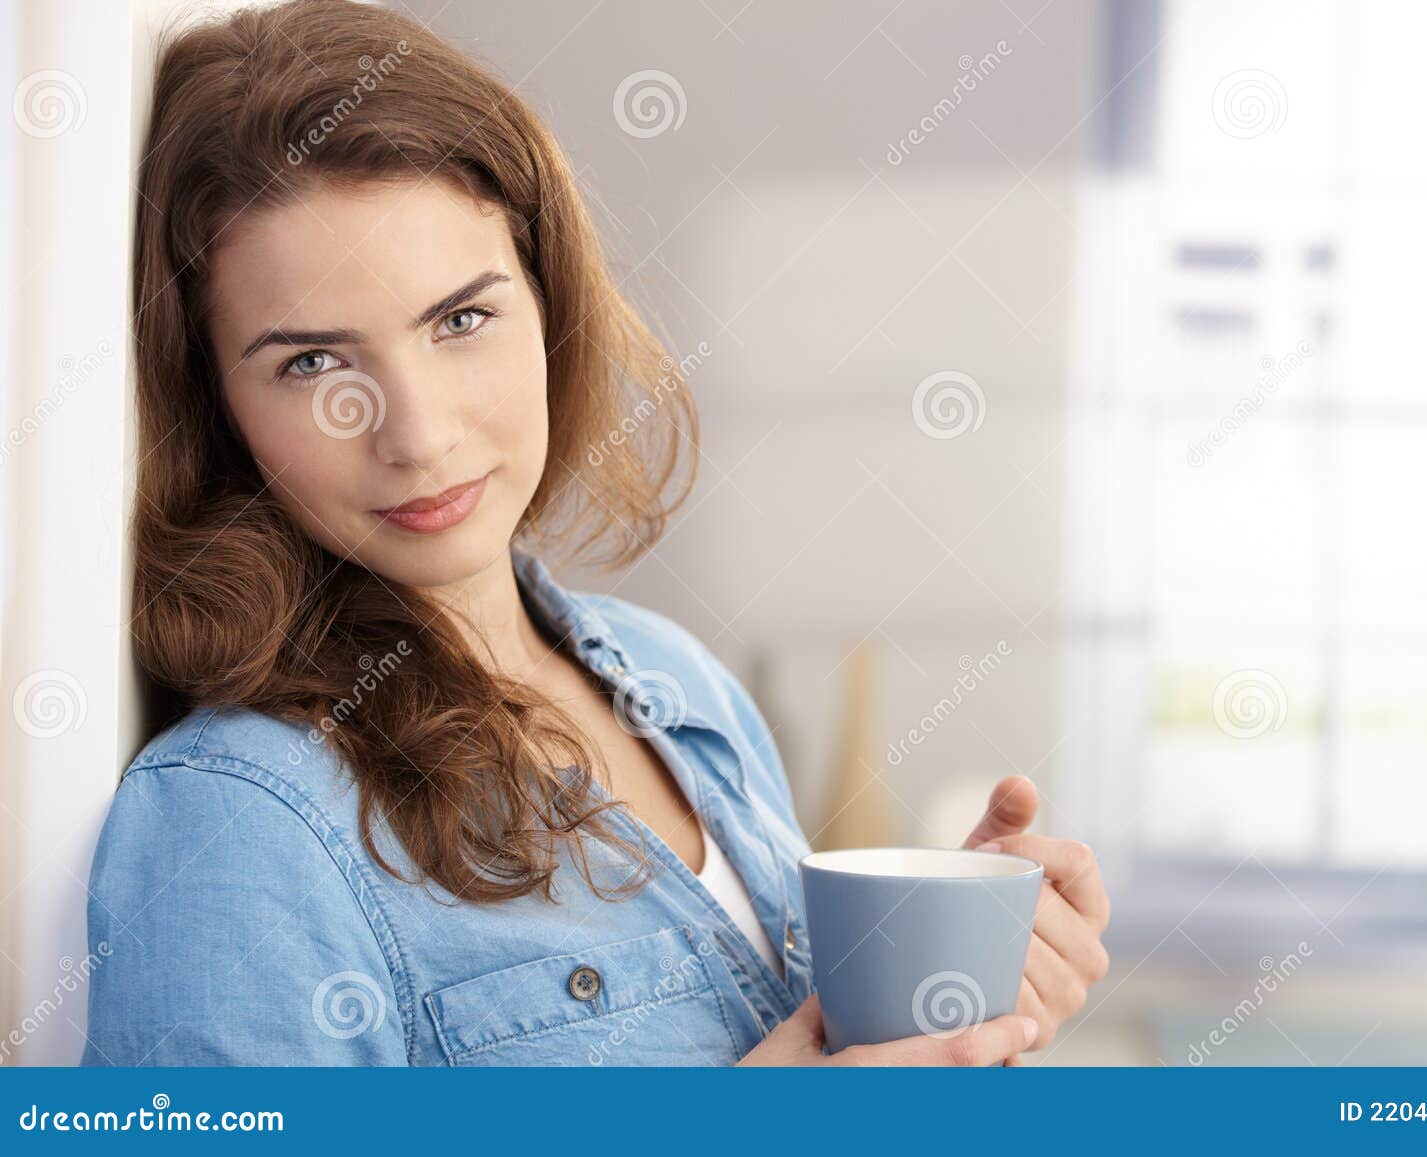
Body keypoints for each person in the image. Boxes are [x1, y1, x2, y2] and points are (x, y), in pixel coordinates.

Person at [81, 0, 1109, 1066]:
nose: (419, 437)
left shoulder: (680, 683)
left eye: (460, 319)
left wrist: (952, 990)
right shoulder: (236, 824)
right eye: (311, 363)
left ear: (544, 294)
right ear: (217, 405)